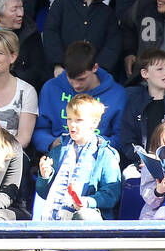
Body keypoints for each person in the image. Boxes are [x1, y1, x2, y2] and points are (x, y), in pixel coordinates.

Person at [34, 93, 122, 221]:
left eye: (79, 120)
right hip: (56, 215)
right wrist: (45, 177)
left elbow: (111, 194)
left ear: (94, 123)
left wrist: (86, 202)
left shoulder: (105, 154)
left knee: (83, 216)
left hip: (91, 216)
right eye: (69, 119)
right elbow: (44, 194)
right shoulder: (57, 151)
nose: (72, 125)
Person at [34, 41, 127, 154]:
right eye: (70, 78)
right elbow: (39, 130)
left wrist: (95, 144)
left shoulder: (117, 94)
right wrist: (52, 143)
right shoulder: (51, 88)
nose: (76, 85)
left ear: (95, 67)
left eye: (81, 79)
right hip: (59, 155)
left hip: (98, 157)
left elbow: (121, 138)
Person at [43, 0, 120, 76]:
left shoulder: (108, 13)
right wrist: (58, 65)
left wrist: (97, 71)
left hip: (96, 77)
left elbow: (113, 45)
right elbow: (51, 35)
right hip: (62, 73)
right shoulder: (61, 4)